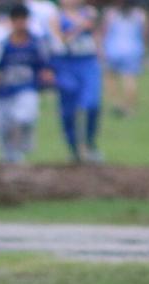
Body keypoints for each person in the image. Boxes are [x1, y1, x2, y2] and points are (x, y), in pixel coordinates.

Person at [0, 4, 52, 163]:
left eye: (23, 20)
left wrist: (46, 74)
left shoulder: (36, 43)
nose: (20, 23)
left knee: (25, 117)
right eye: (17, 20)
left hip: (26, 88)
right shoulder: (2, 43)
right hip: (3, 90)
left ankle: (22, 148)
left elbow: (45, 64)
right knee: (2, 127)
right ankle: (8, 157)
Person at [52, 0, 102, 163]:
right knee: (68, 111)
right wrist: (79, 26)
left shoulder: (90, 12)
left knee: (92, 104)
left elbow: (96, 36)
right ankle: (74, 149)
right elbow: (61, 41)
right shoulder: (56, 17)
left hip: (88, 63)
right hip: (67, 64)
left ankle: (90, 144)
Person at [101, 0, 148, 119]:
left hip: (113, 49)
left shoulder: (110, 13)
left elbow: (104, 32)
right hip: (133, 49)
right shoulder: (141, 14)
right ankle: (129, 108)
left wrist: (101, 48)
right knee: (130, 79)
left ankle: (116, 103)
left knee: (110, 77)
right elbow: (145, 34)